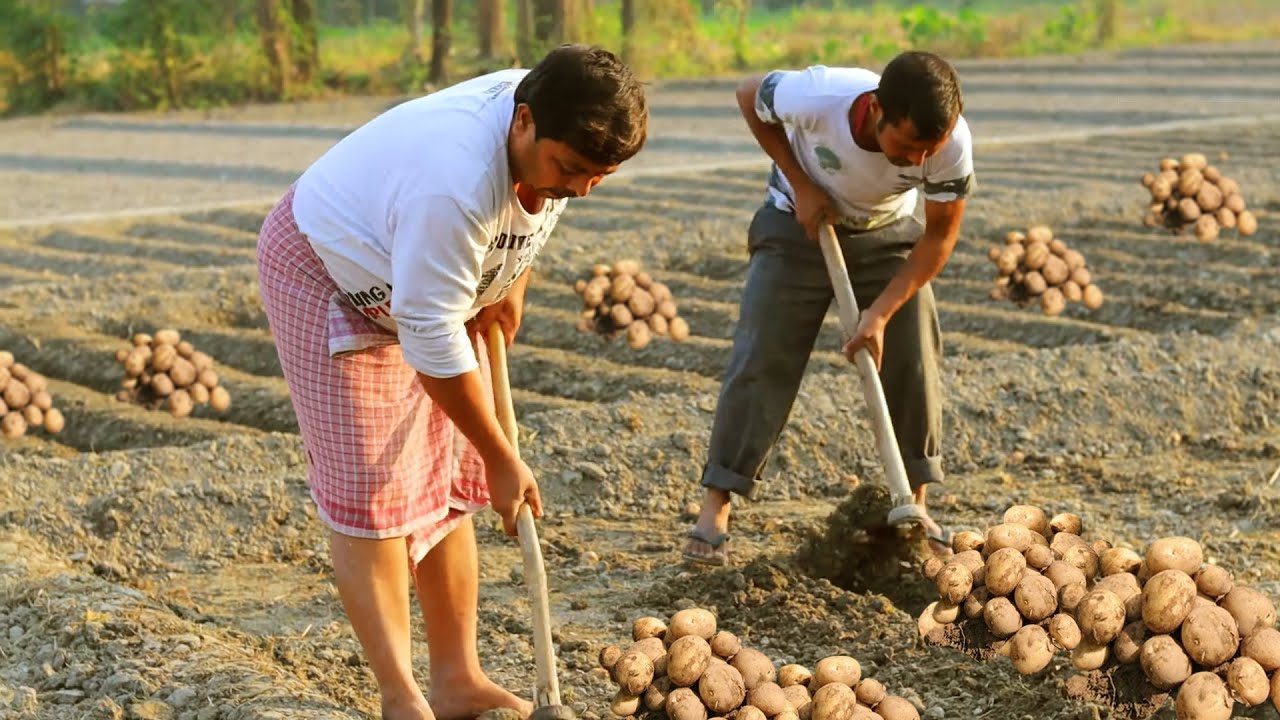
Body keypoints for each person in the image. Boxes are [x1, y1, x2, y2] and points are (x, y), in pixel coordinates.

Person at [256, 44, 647, 720]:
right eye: (573, 170)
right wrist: (502, 456)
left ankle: (456, 678)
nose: (582, 188)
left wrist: (509, 279)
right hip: (332, 274)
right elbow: (429, 333)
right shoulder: (453, 184)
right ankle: (401, 697)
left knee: (444, 491)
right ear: (523, 122)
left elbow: (527, 209)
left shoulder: (550, 122)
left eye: (600, 177)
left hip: (419, 274)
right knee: (372, 494)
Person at [681, 50, 974, 566]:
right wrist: (801, 182)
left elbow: (939, 239)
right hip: (796, 223)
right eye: (905, 147)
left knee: (914, 353)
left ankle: (916, 506)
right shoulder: (820, 97)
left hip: (886, 236)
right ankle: (715, 510)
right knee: (763, 355)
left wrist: (880, 313)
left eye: (928, 150)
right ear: (878, 110)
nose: (916, 160)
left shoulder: (950, 147)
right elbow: (749, 94)